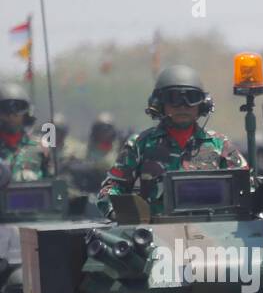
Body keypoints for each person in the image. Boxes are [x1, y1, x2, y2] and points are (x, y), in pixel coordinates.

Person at [96, 65, 248, 218]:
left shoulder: (220, 144)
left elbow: (247, 185)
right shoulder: (141, 144)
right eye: (173, 98)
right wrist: (116, 210)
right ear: (159, 104)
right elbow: (112, 187)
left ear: (203, 104)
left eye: (191, 98)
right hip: (155, 236)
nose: (183, 106)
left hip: (213, 234)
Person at [0, 82, 51, 182]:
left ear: (26, 113)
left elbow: (53, 185)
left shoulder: (40, 147)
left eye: (17, 110)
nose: (11, 116)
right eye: (5, 110)